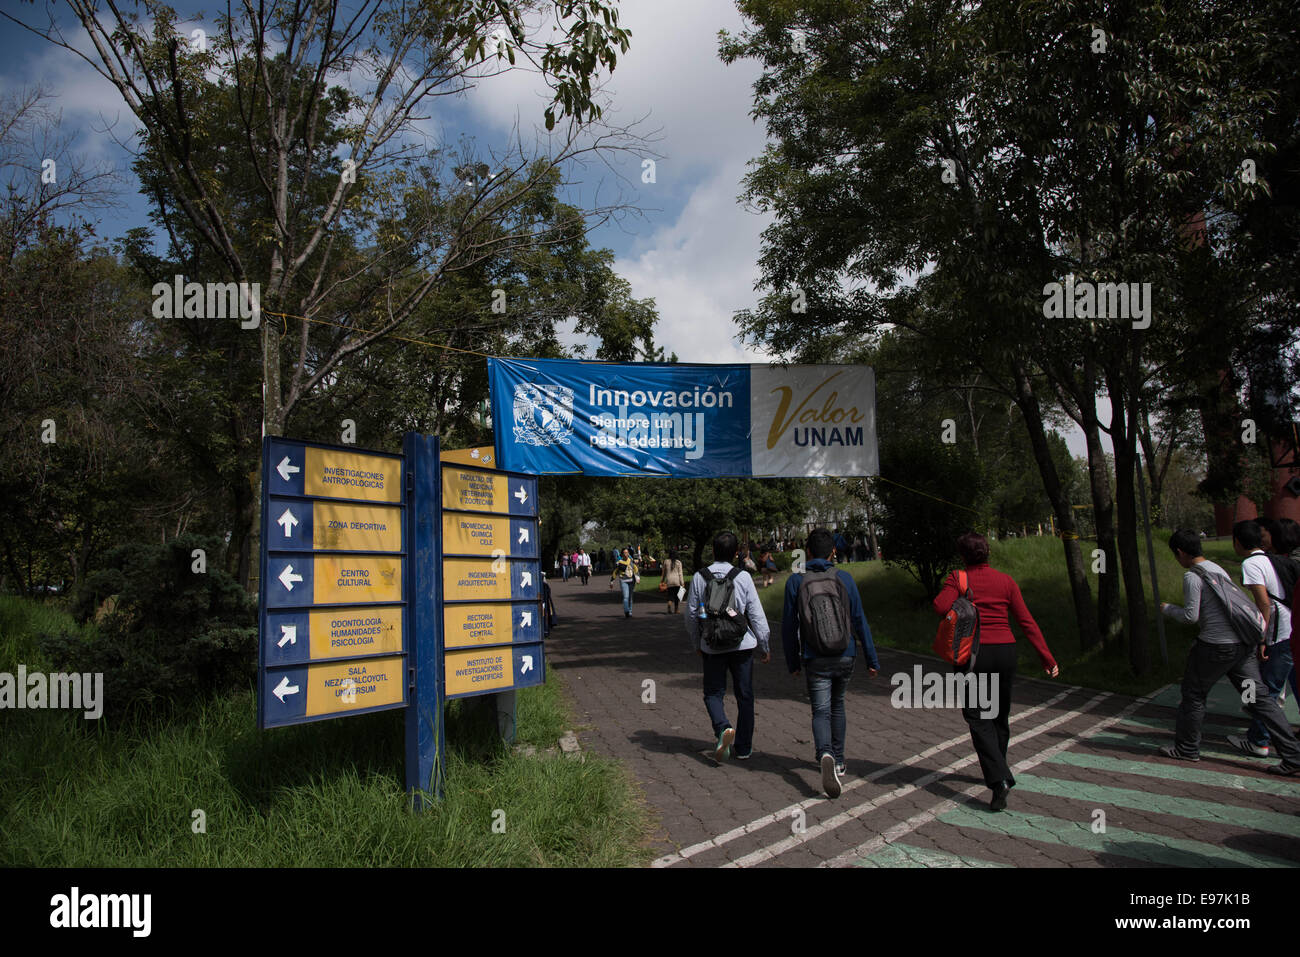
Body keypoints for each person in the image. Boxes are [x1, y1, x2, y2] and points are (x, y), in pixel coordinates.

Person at [933, 531, 1059, 811]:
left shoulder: (958, 578)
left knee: (978, 718)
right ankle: (998, 767)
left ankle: (998, 779)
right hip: (1005, 653)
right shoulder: (1006, 581)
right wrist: (1047, 658)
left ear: (963, 556)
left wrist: (962, 602)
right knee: (1000, 716)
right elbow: (1027, 622)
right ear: (988, 552)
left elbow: (940, 606)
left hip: (973, 656)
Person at [1159, 528, 1300, 774]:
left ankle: (1187, 748)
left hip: (1214, 646)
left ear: (1180, 552)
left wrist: (1168, 608)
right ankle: (1293, 755)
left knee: (1193, 694)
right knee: (1260, 700)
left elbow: (1192, 617)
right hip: (1242, 646)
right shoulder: (1217, 569)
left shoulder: (1192, 577)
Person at [783, 528, 880, 797]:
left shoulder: (796, 581)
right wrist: (871, 659)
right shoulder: (845, 578)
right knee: (838, 705)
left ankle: (824, 752)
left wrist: (792, 661)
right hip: (845, 653)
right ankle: (838, 759)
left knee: (820, 710)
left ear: (808, 551)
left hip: (815, 657)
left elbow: (789, 627)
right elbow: (859, 620)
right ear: (833, 551)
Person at [685, 531, 771, 762]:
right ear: (736, 554)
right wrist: (764, 644)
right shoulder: (743, 578)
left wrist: (697, 642)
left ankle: (722, 727)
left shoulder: (699, 577)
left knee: (713, 693)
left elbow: (692, 615)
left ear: (712, 551)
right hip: (742, 645)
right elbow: (756, 614)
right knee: (745, 695)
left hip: (712, 645)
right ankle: (743, 747)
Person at [1226, 520, 1294, 758]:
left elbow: (1263, 602)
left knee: (1266, 690)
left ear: (1237, 541)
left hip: (1278, 634)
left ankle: (1259, 740)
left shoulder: (1252, 564)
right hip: (1291, 630)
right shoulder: (1273, 559)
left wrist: (1261, 638)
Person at [611, 547, 638, 618]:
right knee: (626, 596)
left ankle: (630, 611)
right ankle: (626, 611)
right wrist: (612, 581)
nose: (626, 554)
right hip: (623, 581)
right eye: (624, 553)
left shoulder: (631, 561)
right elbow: (615, 572)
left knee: (630, 597)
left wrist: (638, 577)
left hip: (631, 581)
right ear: (622, 554)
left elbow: (636, 569)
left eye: (627, 553)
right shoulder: (619, 563)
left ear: (628, 553)